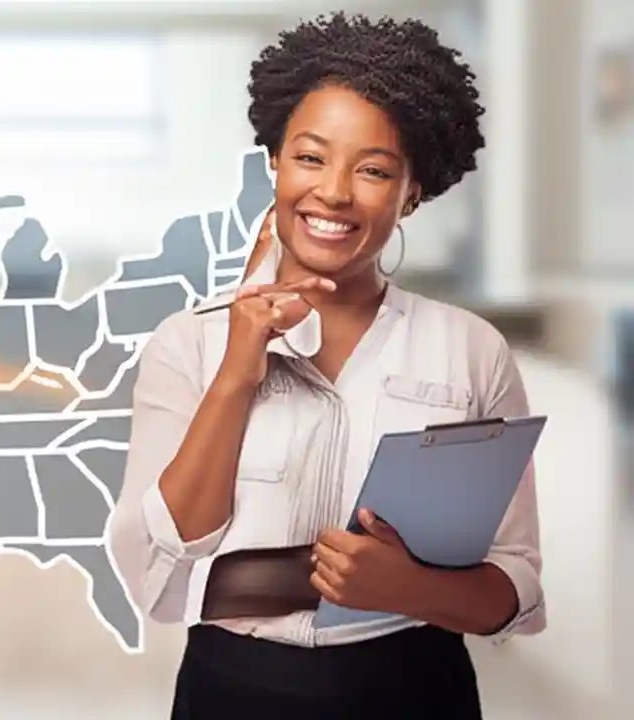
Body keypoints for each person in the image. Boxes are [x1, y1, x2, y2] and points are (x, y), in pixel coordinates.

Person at [107, 12, 544, 719]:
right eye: (310, 157)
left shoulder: (469, 351)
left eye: (373, 170)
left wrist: (408, 588)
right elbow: (163, 562)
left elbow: (513, 588)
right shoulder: (187, 344)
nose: (335, 192)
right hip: (234, 689)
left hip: (416, 687)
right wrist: (238, 371)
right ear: (274, 162)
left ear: (413, 193)